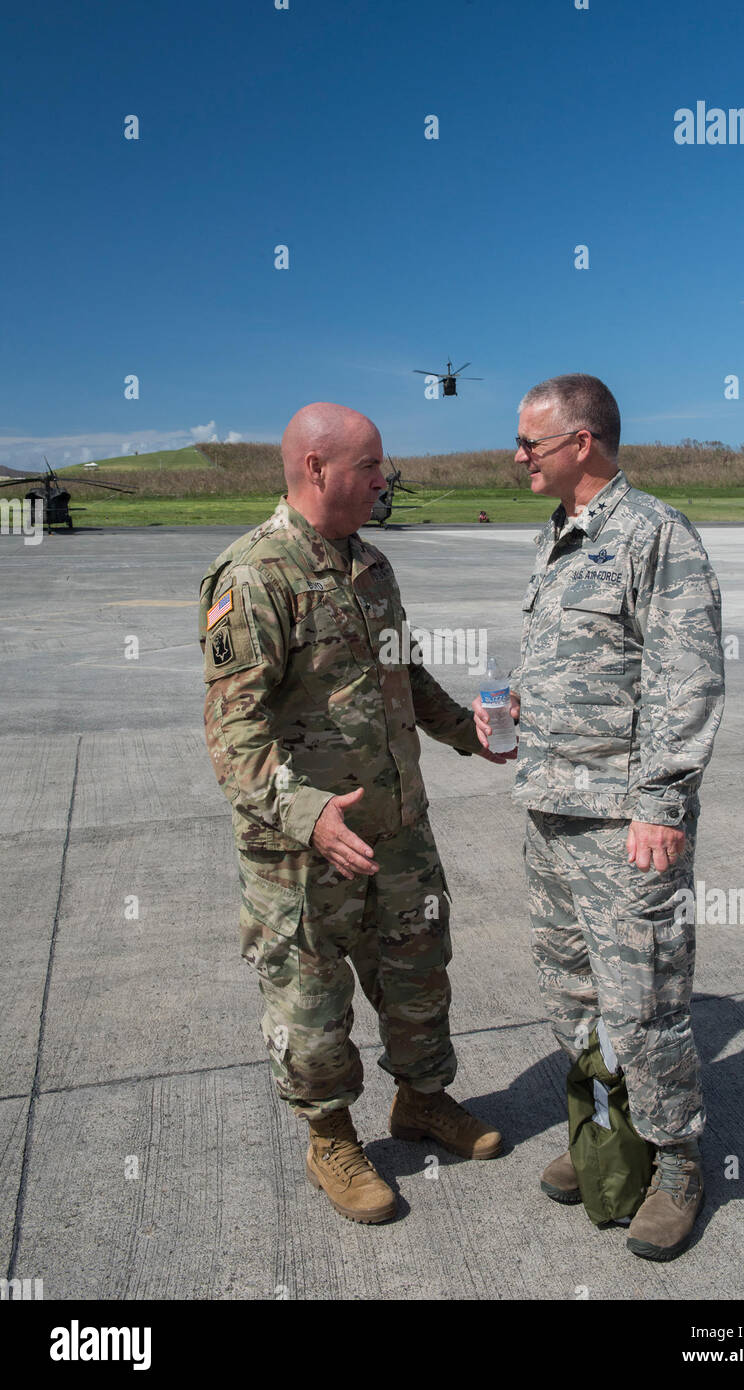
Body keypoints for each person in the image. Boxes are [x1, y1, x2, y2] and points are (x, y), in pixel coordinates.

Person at [199, 402, 505, 1226]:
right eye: (370, 466)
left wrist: (467, 734)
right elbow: (234, 738)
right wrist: (309, 815)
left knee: (417, 971)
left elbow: (403, 674)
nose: (382, 479)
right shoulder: (254, 575)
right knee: (312, 999)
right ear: (316, 470)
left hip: (397, 830)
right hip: (308, 852)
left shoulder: (370, 563)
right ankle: (330, 1136)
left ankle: (423, 1101)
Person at [473, 374, 725, 1260]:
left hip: (624, 822)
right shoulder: (557, 541)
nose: (516, 459)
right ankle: (607, 1136)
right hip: (549, 807)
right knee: (572, 994)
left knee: (644, 1000)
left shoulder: (653, 535)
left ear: (581, 442)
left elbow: (684, 678)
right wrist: (510, 724)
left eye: (528, 445)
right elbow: (584, 669)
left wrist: (658, 803)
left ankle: (678, 1160)